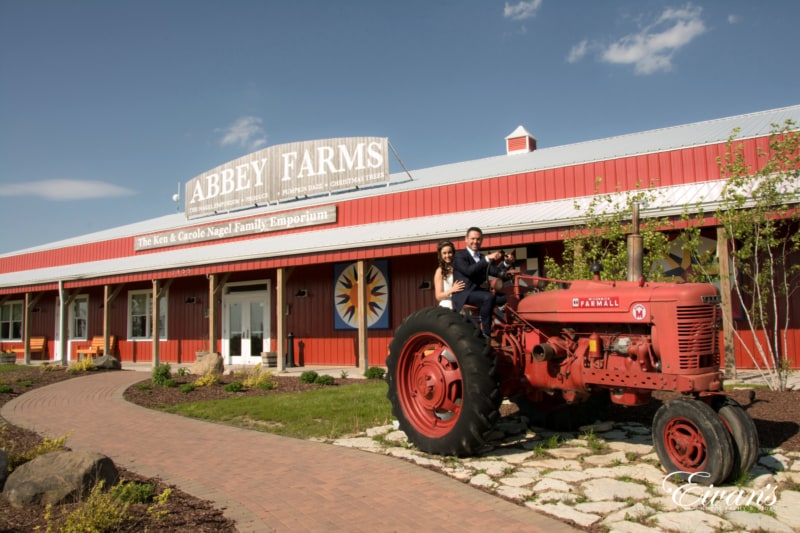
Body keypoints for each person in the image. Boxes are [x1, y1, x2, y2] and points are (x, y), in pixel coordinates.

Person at [452, 227, 514, 337]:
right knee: (488, 297)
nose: (475, 241)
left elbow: (497, 272)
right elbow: (469, 271)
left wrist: (506, 263)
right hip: (464, 293)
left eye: (478, 239)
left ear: (482, 240)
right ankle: (486, 333)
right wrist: (486, 260)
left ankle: (512, 327)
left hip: (479, 292)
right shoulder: (459, 256)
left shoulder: (481, 257)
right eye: (473, 239)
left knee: (510, 297)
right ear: (466, 239)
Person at [433, 240, 465, 309]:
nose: (447, 255)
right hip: (446, 307)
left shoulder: (459, 267)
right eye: (444, 253)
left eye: (449, 252)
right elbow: (438, 296)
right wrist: (452, 290)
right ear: (440, 255)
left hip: (461, 305)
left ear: (453, 253)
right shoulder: (439, 271)